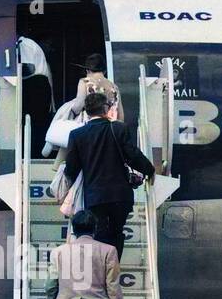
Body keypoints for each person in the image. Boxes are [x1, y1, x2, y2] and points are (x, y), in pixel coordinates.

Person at [62, 90, 155, 258]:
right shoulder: (119, 129)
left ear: (87, 111)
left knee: (99, 235)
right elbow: (133, 156)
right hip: (120, 195)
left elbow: (71, 169)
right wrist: (150, 170)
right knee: (117, 233)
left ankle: (102, 274)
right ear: (105, 109)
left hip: (95, 196)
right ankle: (113, 268)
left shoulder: (77, 135)